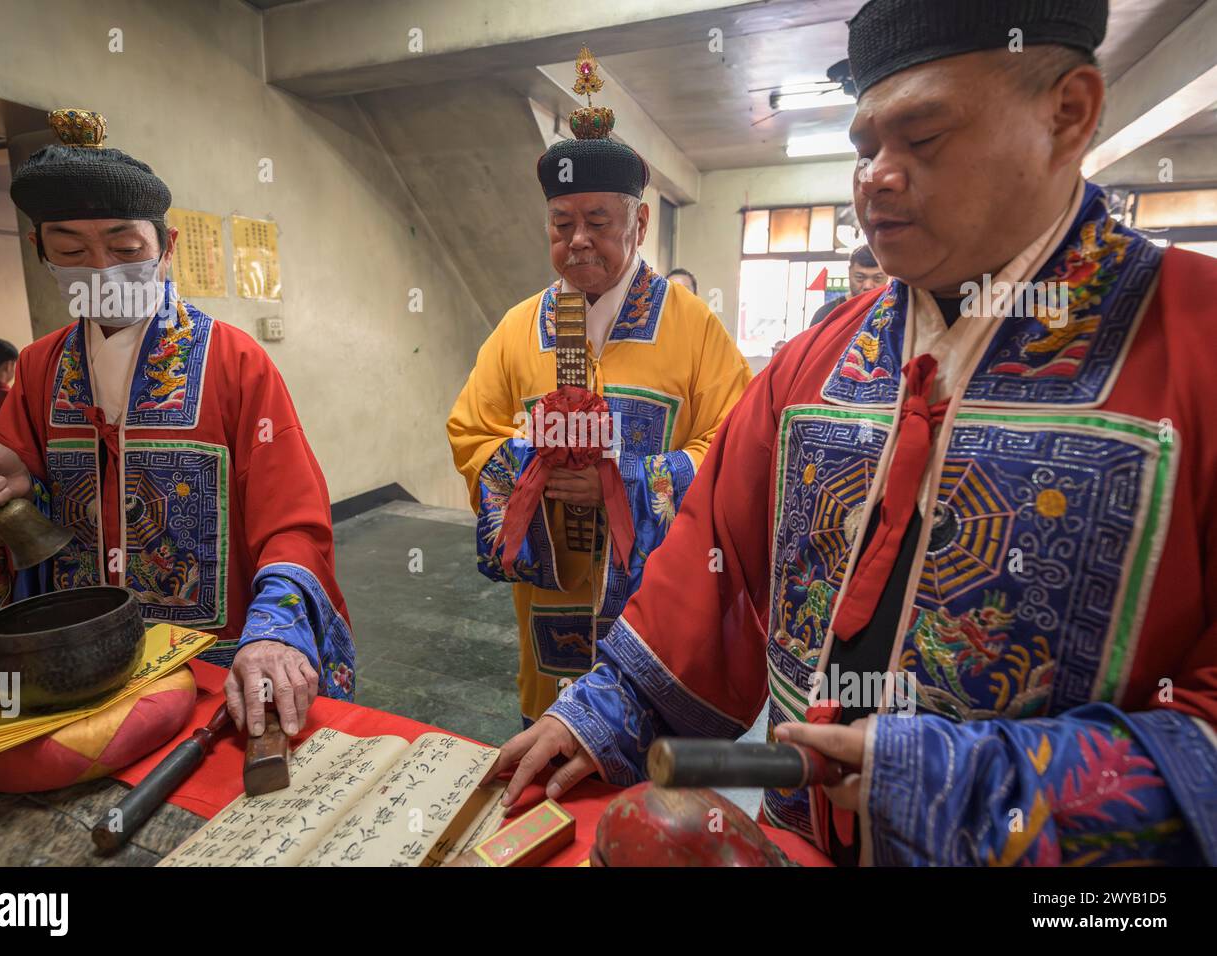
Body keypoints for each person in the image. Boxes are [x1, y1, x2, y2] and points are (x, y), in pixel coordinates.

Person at [491, 0, 1217, 867]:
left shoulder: (1195, 347)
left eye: (924, 138)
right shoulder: (817, 363)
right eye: (865, 146)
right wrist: (609, 703)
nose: (876, 177)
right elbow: (713, 559)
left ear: (1068, 113)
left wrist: (957, 781)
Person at [0, 109, 354, 738]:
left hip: (214, 655)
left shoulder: (234, 361)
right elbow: (13, 527)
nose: (101, 270)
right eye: (71, 250)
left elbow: (292, 520)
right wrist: (5, 492)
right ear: (40, 251)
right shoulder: (39, 366)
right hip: (80, 658)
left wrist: (272, 632)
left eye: (125, 248)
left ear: (167, 246)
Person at [448, 50, 751, 725]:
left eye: (598, 222)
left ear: (638, 225)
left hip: (656, 593)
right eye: (561, 225)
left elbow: (736, 447)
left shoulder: (692, 326)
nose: (578, 241)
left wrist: (629, 483)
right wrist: (538, 471)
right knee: (550, 746)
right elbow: (471, 430)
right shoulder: (518, 326)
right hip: (553, 594)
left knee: (650, 758)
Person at [809, 245, 886, 328]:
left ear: (888, 276)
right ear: (849, 272)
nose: (868, 286)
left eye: (877, 278)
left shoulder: (894, 313)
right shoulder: (826, 314)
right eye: (860, 277)